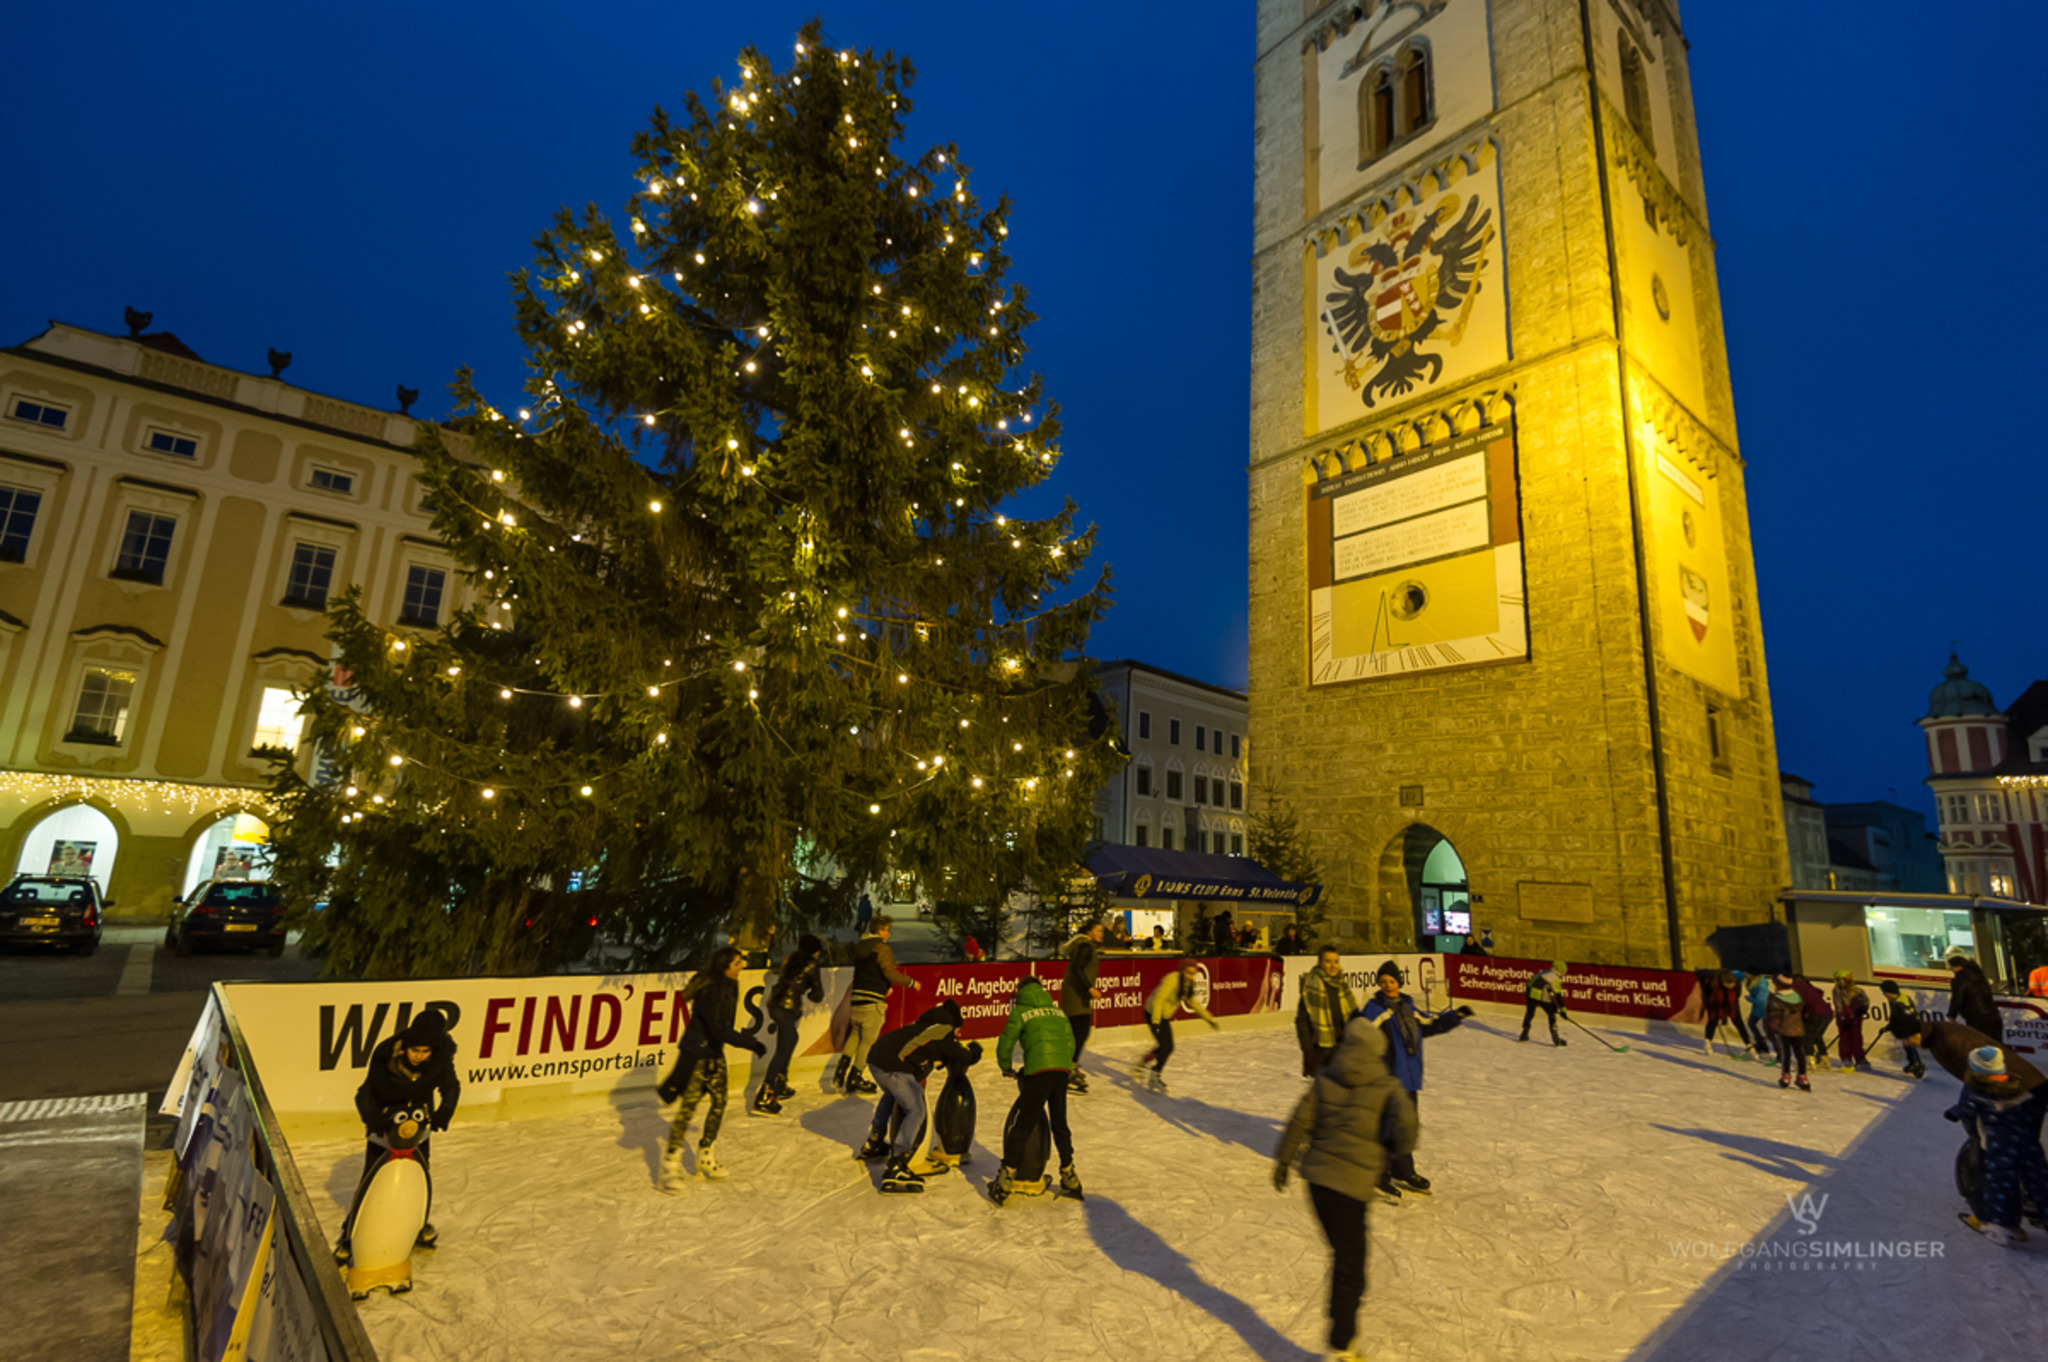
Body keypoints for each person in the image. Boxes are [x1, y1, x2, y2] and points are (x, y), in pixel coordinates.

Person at [1272, 1016, 1418, 1362]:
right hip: (1351, 1188)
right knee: (1350, 1265)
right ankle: (1342, 1344)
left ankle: (1342, 1324)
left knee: (1347, 1259)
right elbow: (1407, 1126)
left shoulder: (1325, 1079)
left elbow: (1300, 1118)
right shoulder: (1386, 1086)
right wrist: (1396, 1146)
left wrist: (1283, 1160)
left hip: (1318, 1184)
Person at [1357, 959, 1471, 1198]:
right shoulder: (1375, 1009)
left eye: (1391, 981)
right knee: (1388, 1127)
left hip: (1409, 1078)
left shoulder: (1407, 1006)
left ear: (1399, 982)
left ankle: (1404, 1171)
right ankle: (1381, 1174)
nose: (1388, 985)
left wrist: (1455, 1016)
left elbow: (1428, 1025)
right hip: (1386, 1079)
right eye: (1383, 982)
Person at [349, 1007, 459, 1252]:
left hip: (418, 1126)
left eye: (425, 1051)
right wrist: (374, 1120)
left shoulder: (440, 1058)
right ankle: (351, 1232)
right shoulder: (385, 1056)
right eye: (415, 1050)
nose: (419, 1056)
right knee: (372, 1176)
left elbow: (451, 1087)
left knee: (417, 1175)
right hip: (384, 1123)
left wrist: (444, 1112)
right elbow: (365, 1093)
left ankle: (417, 1225)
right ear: (406, 1046)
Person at [658, 947, 766, 1191]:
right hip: (697, 1055)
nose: (742, 966)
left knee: (720, 1102)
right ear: (725, 966)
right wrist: (750, 1043)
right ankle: (669, 1167)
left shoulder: (731, 984)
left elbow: (723, 1027)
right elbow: (718, 1029)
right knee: (688, 1108)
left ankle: (706, 1154)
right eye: (738, 963)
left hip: (714, 1055)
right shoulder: (709, 991)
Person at [856, 1000, 980, 1193]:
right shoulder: (943, 1030)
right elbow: (961, 1055)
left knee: (891, 1095)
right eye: (958, 1031)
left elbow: (922, 1049)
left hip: (876, 1060)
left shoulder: (926, 1026)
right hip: (892, 1067)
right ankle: (898, 1163)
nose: (957, 1035)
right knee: (916, 1109)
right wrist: (974, 1051)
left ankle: (875, 1141)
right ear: (954, 1024)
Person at [1946, 1046, 2048, 1247]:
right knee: (2040, 1184)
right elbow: (2036, 1107)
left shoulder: (1974, 1088)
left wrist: (1952, 1113)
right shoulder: (2017, 1084)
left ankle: (2001, 1228)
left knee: (2001, 1187)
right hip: (2029, 1144)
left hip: (2001, 1147)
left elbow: (1965, 1111)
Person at [992, 977, 1081, 1204]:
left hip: (1039, 1072)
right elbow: (1070, 1041)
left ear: (1021, 992)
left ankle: (1005, 1178)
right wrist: (1065, 1064)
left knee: (1024, 1123)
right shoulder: (1057, 1012)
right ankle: (1069, 1175)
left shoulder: (1021, 1012)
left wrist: (1005, 1067)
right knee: (1059, 1123)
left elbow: (1005, 1043)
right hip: (1061, 1070)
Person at [836, 914, 920, 1095]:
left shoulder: (860, 947)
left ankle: (840, 1071)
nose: (889, 933)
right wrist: (911, 982)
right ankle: (855, 1077)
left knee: (856, 1034)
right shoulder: (882, 949)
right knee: (868, 1041)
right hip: (872, 1000)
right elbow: (890, 973)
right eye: (888, 930)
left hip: (857, 997)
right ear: (880, 931)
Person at [752, 934, 824, 1117]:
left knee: (791, 1040)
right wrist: (810, 994)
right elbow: (818, 992)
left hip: (775, 1003)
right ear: (814, 951)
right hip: (786, 1007)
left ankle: (780, 1084)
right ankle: (764, 1097)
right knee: (783, 1049)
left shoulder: (790, 958)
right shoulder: (811, 963)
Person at [1133, 961, 1220, 1093]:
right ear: (1182, 970)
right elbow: (1159, 1000)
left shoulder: (1187, 984)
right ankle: (1154, 1075)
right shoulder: (1172, 979)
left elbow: (1194, 1003)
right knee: (1167, 1046)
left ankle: (1145, 1061)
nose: (1190, 976)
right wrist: (1155, 1021)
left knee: (1166, 1046)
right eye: (1188, 973)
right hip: (1153, 1012)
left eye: (1193, 974)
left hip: (1163, 1016)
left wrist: (1209, 1019)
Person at [1296, 945, 1360, 1075]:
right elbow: (1302, 1022)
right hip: (1321, 1052)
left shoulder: (1342, 985)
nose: (1333, 966)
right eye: (1328, 961)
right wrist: (1308, 1051)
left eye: (1336, 962)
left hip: (1344, 1049)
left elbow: (1354, 1016)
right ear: (1320, 963)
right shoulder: (1311, 987)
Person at [1060, 919, 1106, 1094]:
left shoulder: (1086, 946)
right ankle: (1068, 1069)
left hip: (1077, 994)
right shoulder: (1086, 947)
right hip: (1077, 995)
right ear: (1089, 932)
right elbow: (1077, 968)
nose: (1101, 934)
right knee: (1080, 1032)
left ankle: (1068, 1067)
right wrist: (1090, 988)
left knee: (1077, 1032)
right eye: (1098, 931)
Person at [1946, 947, 2004, 1042]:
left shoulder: (1960, 979)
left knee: (1981, 1048)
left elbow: (1957, 999)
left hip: (1977, 1019)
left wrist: (1952, 1016)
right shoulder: (1979, 976)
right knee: (1997, 1048)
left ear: (1957, 967)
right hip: (1994, 1016)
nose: (1951, 970)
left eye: (1951, 967)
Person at [1765, 974, 1811, 1091]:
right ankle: (1802, 1076)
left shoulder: (1777, 999)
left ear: (1778, 985)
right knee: (1800, 1053)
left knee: (1786, 1053)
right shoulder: (1797, 997)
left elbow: (1774, 1017)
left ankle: (1786, 1076)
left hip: (1784, 1030)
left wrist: (1772, 1030)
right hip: (1798, 1029)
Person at [1877, 980, 1927, 1078]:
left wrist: (1886, 1028)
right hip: (1909, 1024)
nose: (1883, 994)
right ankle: (1914, 1063)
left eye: (1884, 992)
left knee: (1909, 1044)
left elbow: (1895, 1019)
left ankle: (1916, 1064)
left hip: (1909, 1025)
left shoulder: (1899, 1004)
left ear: (1889, 993)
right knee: (1907, 1045)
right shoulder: (1900, 998)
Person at [1700, 970, 1753, 1058]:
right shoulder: (1713, 985)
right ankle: (1707, 1043)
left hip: (1732, 1005)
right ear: (1723, 983)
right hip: (1715, 1004)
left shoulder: (1737, 984)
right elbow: (1706, 994)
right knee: (1713, 1021)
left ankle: (1749, 1045)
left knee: (1738, 1023)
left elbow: (1737, 996)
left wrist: (1728, 1008)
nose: (1731, 986)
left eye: (1732, 984)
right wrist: (1717, 1010)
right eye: (1728, 985)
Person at [1519, 961, 1569, 1045]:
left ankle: (1524, 1033)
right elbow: (1558, 995)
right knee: (1551, 1013)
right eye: (1564, 972)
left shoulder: (1546, 972)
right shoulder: (1555, 978)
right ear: (1560, 971)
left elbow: (1540, 983)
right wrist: (1563, 1009)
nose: (1564, 974)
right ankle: (1556, 1038)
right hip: (1541, 994)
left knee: (1530, 1012)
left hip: (1529, 991)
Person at [1831, 970, 1871, 1071]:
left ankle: (1860, 1058)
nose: (1849, 979)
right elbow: (1838, 1004)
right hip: (1844, 1015)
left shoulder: (1857, 990)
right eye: (1846, 977)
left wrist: (1862, 1010)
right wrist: (1842, 1016)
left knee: (1856, 1037)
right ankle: (1846, 1058)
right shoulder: (1837, 990)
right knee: (1845, 1037)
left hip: (1856, 1016)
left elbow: (1866, 1001)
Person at [1744, 969, 1776, 1062]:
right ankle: (1761, 1044)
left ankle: (1773, 1049)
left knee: (1767, 1030)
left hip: (1764, 1008)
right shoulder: (1752, 981)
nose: (1745, 974)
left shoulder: (1761, 984)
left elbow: (1761, 1000)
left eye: (1747, 972)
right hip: (1758, 1008)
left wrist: (1749, 998)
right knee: (1752, 1024)